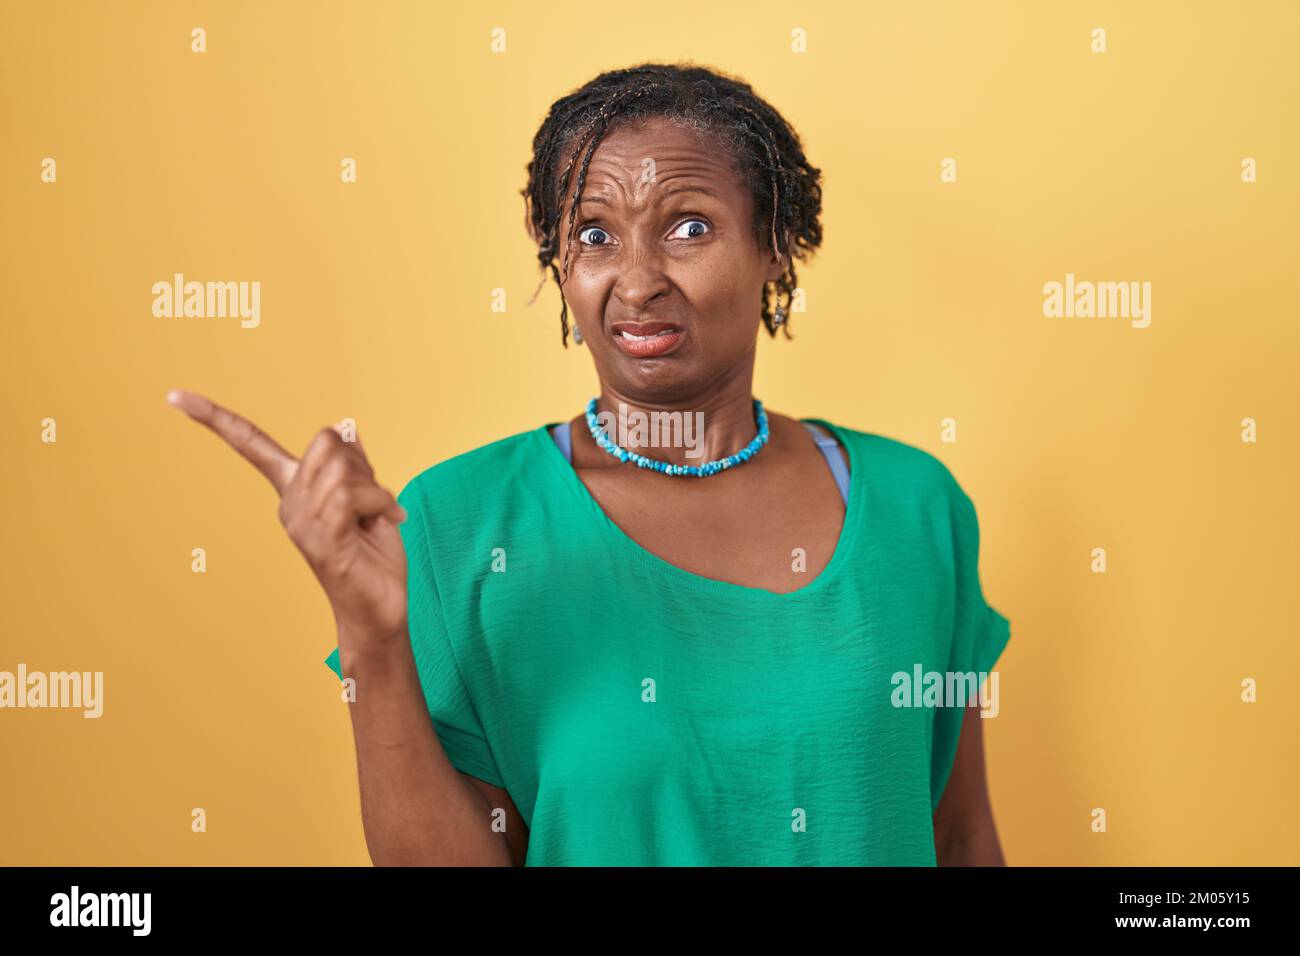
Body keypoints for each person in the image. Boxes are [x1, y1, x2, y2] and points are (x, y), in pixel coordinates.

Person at [166, 62, 1011, 866]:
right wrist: (373, 644)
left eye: (689, 228)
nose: (637, 282)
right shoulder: (455, 527)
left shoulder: (914, 508)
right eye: (596, 234)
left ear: (776, 248)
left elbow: (963, 837)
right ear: (560, 264)